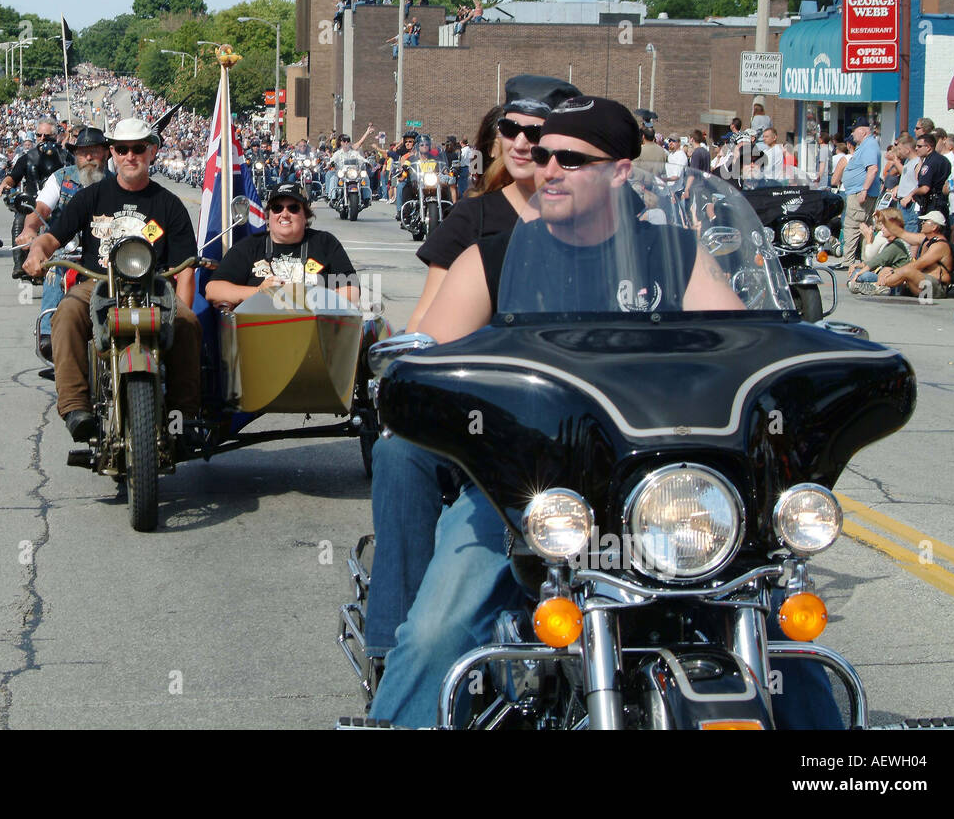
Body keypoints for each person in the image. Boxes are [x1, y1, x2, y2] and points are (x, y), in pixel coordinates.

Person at [369, 95, 839, 730]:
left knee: (776, 637)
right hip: (521, 494)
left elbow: (742, 348)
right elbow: (429, 373)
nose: (547, 169)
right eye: (543, 155)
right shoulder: (493, 259)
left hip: (655, 494)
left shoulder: (676, 255)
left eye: (570, 159)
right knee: (437, 633)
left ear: (620, 171)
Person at [367, 76, 580, 674]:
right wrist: (406, 376)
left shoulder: (600, 217)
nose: (522, 142)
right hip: (482, 410)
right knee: (400, 453)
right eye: (511, 128)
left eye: (538, 133)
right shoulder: (475, 218)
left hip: (578, 411)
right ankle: (399, 642)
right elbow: (426, 322)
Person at [22, 119, 201, 444]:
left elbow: (185, 269)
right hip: (98, 284)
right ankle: (76, 407)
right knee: (65, 313)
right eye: (122, 149)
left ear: (151, 152)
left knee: (188, 322)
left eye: (138, 148)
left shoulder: (170, 205)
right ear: (113, 153)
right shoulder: (90, 197)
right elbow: (51, 238)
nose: (130, 156)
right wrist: (37, 251)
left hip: (153, 288)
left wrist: (180, 310)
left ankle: (182, 417)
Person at [15, 128, 113, 365]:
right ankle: (48, 334)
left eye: (94, 151)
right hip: (67, 248)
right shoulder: (60, 179)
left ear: (106, 154)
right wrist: (30, 229)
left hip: (105, 252)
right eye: (82, 152)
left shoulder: (116, 183)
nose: (88, 157)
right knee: (56, 269)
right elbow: (41, 209)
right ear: (75, 155)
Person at [205, 182, 359, 307]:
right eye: (277, 208)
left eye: (293, 208)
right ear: (269, 215)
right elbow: (213, 290)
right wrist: (259, 292)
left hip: (317, 329)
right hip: (260, 330)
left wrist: (309, 298)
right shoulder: (250, 246)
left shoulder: (325, 243)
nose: (284, 214)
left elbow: (352, 291)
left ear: (305, 215)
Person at [0, 116, 74, 278]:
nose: (42, 139)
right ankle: (19, 264)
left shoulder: (66, 156)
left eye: (47, 136)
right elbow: (14, 176)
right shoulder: (27, 157)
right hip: (32, 202)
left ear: (55, 136)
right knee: (19, 221)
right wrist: (5, 183)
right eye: (39, 135)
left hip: (59, 202)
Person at [834, 118, 882, 264]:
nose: (852, 134)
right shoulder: (865, 145)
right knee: (864, 227)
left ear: (863, 131)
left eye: (854, 130)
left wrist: (864, 190)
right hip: (858, 192)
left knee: (852, 225)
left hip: (860, 193)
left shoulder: (869, 146)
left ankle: (848, 261)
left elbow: (872, 169)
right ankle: (865, 261)